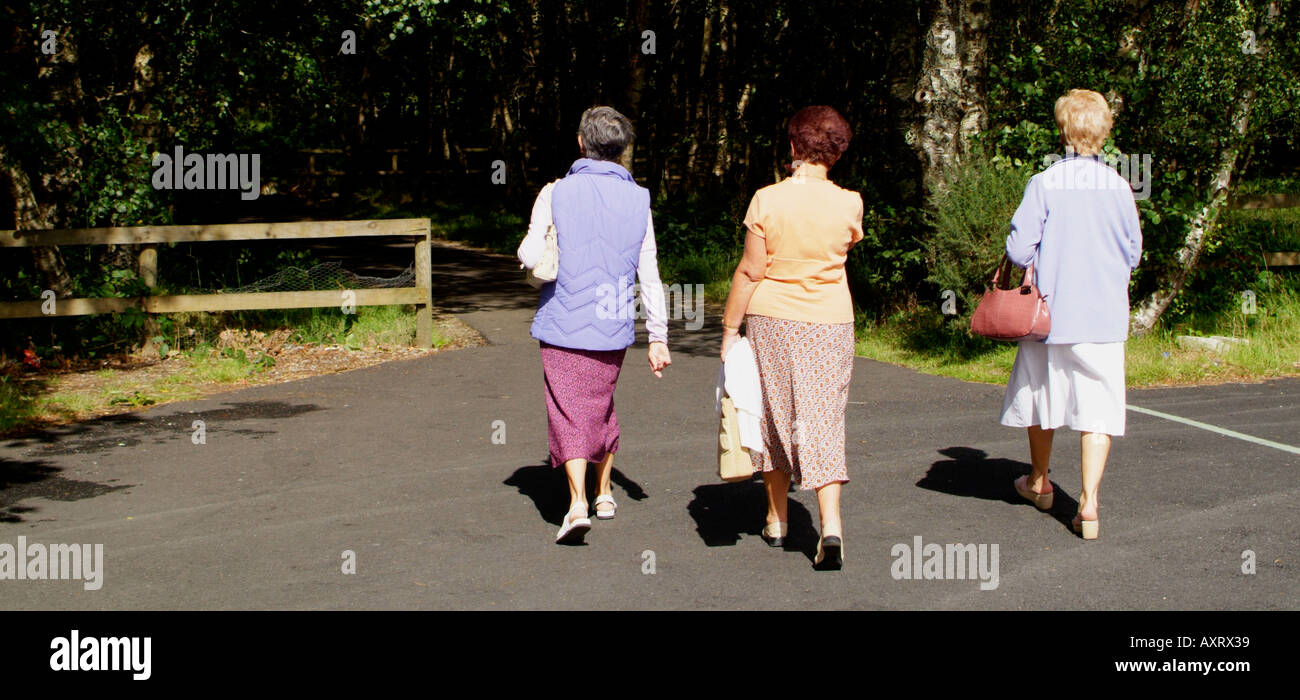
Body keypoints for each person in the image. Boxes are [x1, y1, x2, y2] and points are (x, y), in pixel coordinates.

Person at [518, 106, 672, 545]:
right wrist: (659, 336)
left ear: (582, 144)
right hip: (614, 319)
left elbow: (530, 254)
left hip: (564, 317)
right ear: (621, 150)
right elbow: (650, 271)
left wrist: (531, 252)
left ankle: (578, 504)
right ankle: (604, 492)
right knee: (599, 403)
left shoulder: (555, 192)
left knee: (568, 409)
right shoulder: (639, 198)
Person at [720, 105, 864, 570]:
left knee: (773, 412)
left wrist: (728, 329)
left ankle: (777, 520)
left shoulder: (766, 199)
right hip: (830, 322)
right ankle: (832, 527)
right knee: (823, 417)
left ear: (794, 145)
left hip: (773, 319)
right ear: (836, 153)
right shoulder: (850, 203)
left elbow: (750, 270)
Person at [1001, 88, 1143, 540]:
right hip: (1102, 316)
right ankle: (1089, 504)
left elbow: (1020, 248)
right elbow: (1134, 253)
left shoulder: (1045, 182)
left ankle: (1040, 482)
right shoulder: (1120, 186)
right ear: (1104, 133)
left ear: (1063, 130)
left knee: (1043, 399)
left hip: (1049, 315)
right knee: (1098, 410)